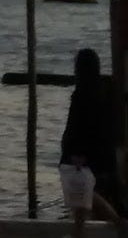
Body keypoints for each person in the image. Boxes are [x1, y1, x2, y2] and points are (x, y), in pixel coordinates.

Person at [60, 48, 124, 236]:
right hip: (100, 156)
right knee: (83, 196)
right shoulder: (104, 90)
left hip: (82, 156)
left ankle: (114, 223)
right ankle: (83, 230)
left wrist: (76, 155)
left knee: (82, 195)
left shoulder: (81, 95)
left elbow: (76, 129)